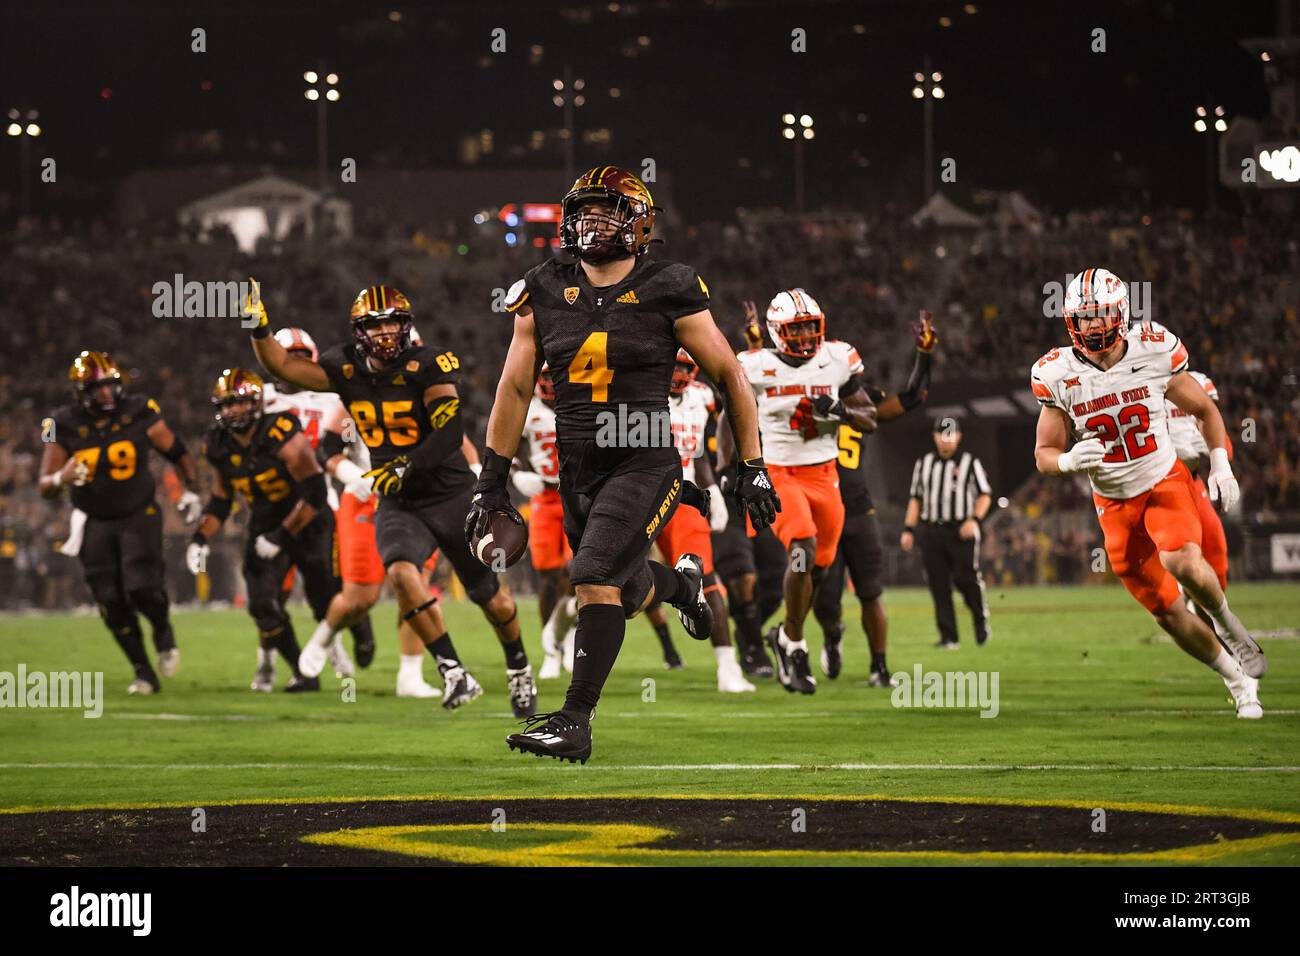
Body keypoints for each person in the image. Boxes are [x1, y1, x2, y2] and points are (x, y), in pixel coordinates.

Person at [472, 165, 778, 763]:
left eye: (607, 212)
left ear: (638, 224)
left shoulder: (671, 284)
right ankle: (682, 586)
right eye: (584, 211)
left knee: (589, 578)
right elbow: (512, 390)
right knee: (626, 584)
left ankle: (575, 719)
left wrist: (752, 464)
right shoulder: (540, 287)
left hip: (643, 459)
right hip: (577, 469)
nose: (592, 223)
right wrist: (491, 481)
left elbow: (731, 377)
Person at [247, 282, 536, 716]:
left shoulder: (428, 363)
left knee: (489, 597)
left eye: (392, 324)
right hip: (400, 500)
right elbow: (284, 366)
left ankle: (519, 668)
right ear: (359, 331)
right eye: (375, 325)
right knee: (400, 573)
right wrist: (258, 325)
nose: (385, 334)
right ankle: (453, 669)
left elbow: (449, 433)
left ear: (407, 326)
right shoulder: (346, 368)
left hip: (449, 491)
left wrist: (405, 466)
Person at [1030, 267, 1265, 717]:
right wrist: (1066, 461)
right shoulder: (1055, 372)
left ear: (1120, 313)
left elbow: (1205, 409)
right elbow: (1043, 452)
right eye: (1084, 318)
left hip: (1162, 479)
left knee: (1181, 559)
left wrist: (1220, 464)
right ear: (1069, 322)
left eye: (1100, 315)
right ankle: (1237, 682)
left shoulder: (1154, 348)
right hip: (1113, 505)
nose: (1093, 326)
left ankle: (1227, 622)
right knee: (1166, 611)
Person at [734, 289, 878, 695]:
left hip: (825, 475)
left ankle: (784, 636)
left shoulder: (836, 359)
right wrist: (739, 471)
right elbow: (734, 414)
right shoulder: (754, 365)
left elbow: (869, 419)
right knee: (802, 545)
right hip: (780, 472)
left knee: (817, 569)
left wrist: (842, 412)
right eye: (795, 329)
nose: (803, 337)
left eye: (809, 328)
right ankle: (796, 646)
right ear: (777, 332)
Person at [38, 351, 201, 694]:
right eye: (98, 389)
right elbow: (45, 485)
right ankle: (143, 671)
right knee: (110, 601)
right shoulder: (61, 422)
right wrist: (61, 477)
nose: (108, 395)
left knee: (142, 587)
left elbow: (175, 449)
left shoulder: (139, 409)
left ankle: (162, 630)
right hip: (93, 520)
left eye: (111, 387)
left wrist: (191, 488)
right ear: (80, 392)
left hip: (137, 512)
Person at [187, 368, 341, 692]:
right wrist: (200, 537)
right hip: (264, 521)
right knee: (260, 604)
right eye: (227, 404)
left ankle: (359, 640)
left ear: (257, 403)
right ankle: (303, 671)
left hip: (309, 518)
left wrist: (282, 536)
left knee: (324, 598)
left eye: (240, 403)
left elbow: (314, 491)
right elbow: (220, 499)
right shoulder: (216, 442)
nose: (233, 411)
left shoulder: (279, 429)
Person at [813, 310, 938, 686]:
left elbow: (914, 397)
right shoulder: (802, 396)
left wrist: (925, 355)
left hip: (858, 509)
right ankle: (832, 636)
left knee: (871, 592)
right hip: (820, 507)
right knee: (827, 601)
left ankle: (879, 666)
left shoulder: (863, 400)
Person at [263, 327, 377, 674]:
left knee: (330, 583)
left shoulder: (331, 397)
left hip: (324, 501)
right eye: (290, 357)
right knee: (270, 589)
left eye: (303, 357)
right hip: (276, 503)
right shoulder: (260, 398)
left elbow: (352, 443)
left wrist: (357, 475)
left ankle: (350, 632)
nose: (296, 364)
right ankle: (266, 663)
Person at [655, 348, 754, 692]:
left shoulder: (701, 398)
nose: (678, 374)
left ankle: (728, 667)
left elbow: (696, 452)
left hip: (682, 497)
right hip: (638, 496)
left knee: (705, 576)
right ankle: (560, 642)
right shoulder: (639, 392)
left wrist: (711, 486)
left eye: (685, 367)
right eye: (673, 366)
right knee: (612, 581)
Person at [901, 416, 992, 648]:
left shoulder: (970, 463)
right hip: (932, 530)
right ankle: (949, 636)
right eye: (941, 434)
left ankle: (980, 619)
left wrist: (974, 520)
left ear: (959, 437)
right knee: (938, 584)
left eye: (950, 435)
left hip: (961, 530)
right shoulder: (924, 464)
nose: (945, 440)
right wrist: (909, 529)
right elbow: (916, 499)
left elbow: (984, 495)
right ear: (934, 436)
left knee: (965, 579)